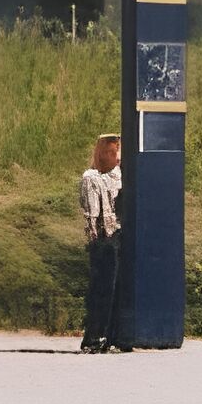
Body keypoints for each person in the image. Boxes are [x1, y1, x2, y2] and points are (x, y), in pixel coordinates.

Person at [78, 134, 126, 353]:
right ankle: (94, 337)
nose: (114, 156)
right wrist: (95, 236)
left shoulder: (120, 175)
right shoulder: (92, 177)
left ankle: (108, 336)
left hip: (116, 235)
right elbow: (91, 214)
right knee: (101, 289)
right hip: (103, 238)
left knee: (113, 289)